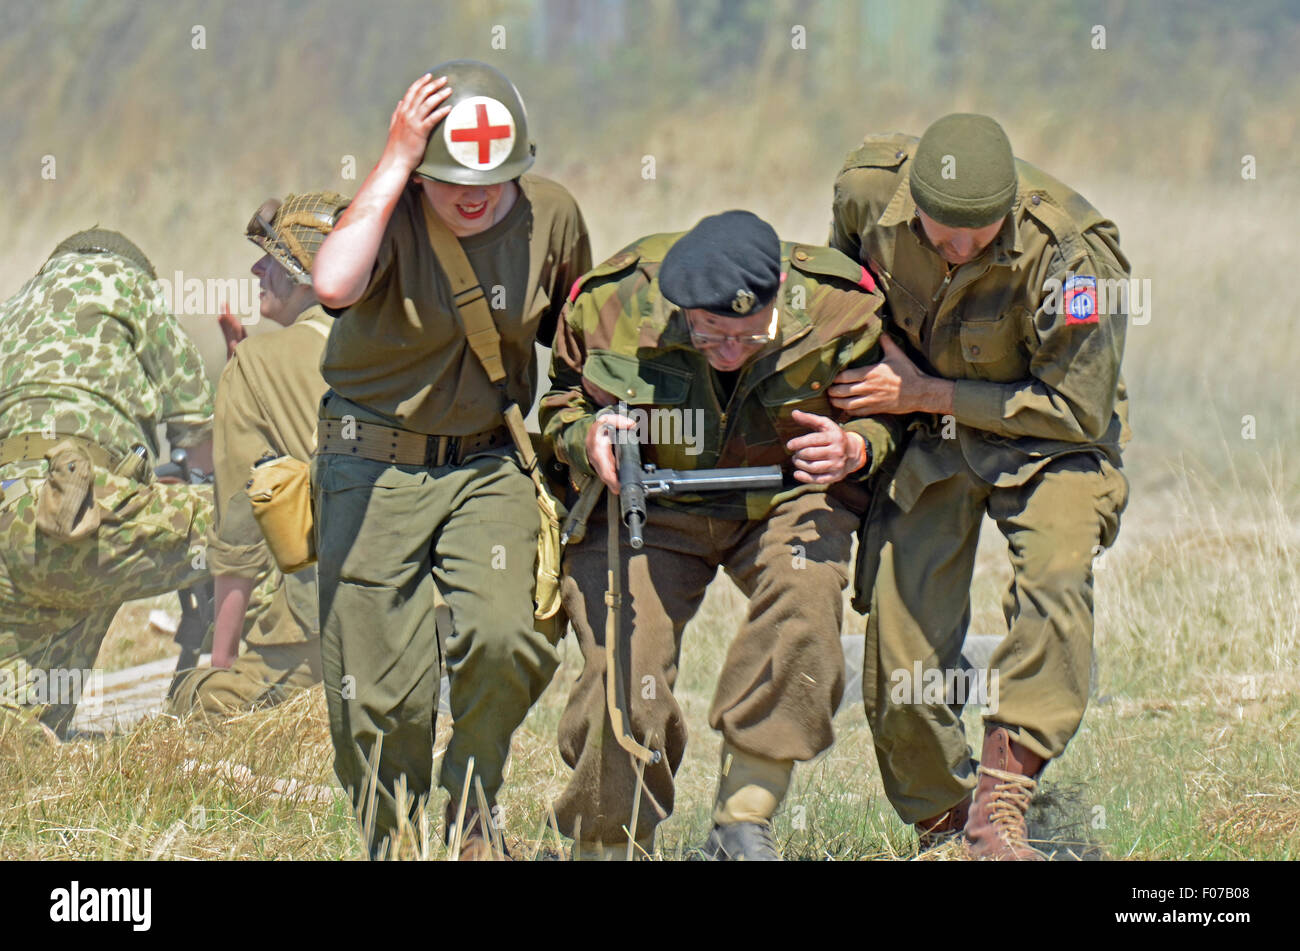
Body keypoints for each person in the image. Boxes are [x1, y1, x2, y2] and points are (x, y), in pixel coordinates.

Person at [540, 210, 898, 860]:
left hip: (782, 497)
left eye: (746, 335)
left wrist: (855, 447)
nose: (729, 351)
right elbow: (563, 399)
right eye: (709, 335)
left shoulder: (842, 308)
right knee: (622, 673)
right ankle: (608, 842)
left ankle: (742, 819)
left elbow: (894, 413)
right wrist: (584, 435)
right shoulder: (610, 305)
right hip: (649, 501)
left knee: (806, 615)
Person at [827, 113, 1131, 859]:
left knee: (1056, 579)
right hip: (931, 436)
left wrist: (925, 391)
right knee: (899, 640)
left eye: (981, 234)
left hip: (1049, 437)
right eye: (941, 233)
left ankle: (1004, 797)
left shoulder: (1075, 261)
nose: (960, 249)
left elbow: (1076, 407)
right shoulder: (867, 196)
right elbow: (843, 296)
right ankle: (950, 825)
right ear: (912, 200)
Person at [310, 60, 591, 859]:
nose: (475, 196)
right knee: (380, 697)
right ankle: (391, 841)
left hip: (486, 460)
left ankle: (472, 807)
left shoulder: (552, 217)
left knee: (513, 635)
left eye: (494, 180)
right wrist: (396, 157)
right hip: (372, 464)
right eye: (452, 179)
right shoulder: (390, 213)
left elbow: (579, 342)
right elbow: (332, 283)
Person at [0, 230, 214, 739]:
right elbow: (200, 433)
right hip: (79, 514)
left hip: (11, 514)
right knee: (259, 516)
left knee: (29, 721)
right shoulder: (131, 289)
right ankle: (261, 688)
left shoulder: (12, 311)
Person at [168, 192, 348, 718]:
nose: (257, 268)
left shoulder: (256, 363)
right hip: (431, 619)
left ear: (303, 273)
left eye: (273, 257)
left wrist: (219, 667)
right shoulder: (403, 344)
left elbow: (240, 537)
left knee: (197, 700)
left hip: (334, 628)